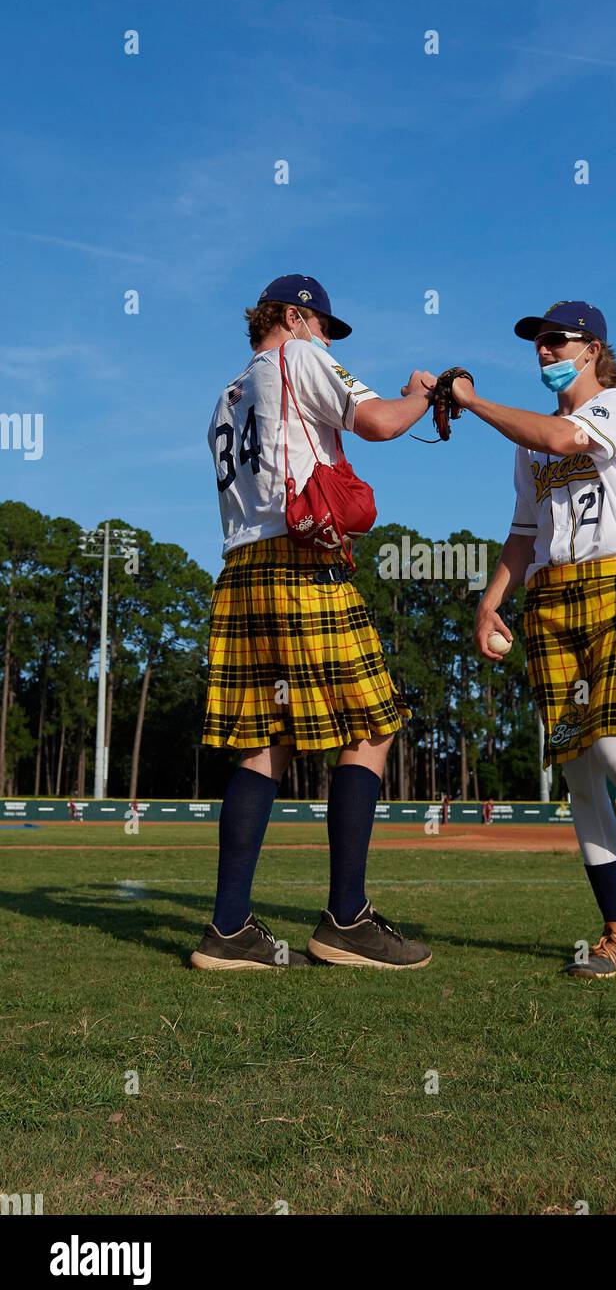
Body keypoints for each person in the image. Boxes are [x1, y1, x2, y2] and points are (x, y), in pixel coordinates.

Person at [191, 274, 435, 972]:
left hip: (241, 567)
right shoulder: (299, 356)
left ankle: (229, 929)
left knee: (266, 741)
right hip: (302, 562)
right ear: (296, 317)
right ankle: (346, 920)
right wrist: (422, 393)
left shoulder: (225, 396)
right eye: (325, 327)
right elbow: (382, 423)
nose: (329, 341)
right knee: (372, 725)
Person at [465, 299, 616, 979]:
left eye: (555, 341)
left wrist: (472, 401)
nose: (543, 352)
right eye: (537, 343)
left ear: (592, 348)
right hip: (549, 597)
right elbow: (523, 532)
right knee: (578, 771)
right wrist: (489, 605)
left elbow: (566, 441)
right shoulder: (529, 438)